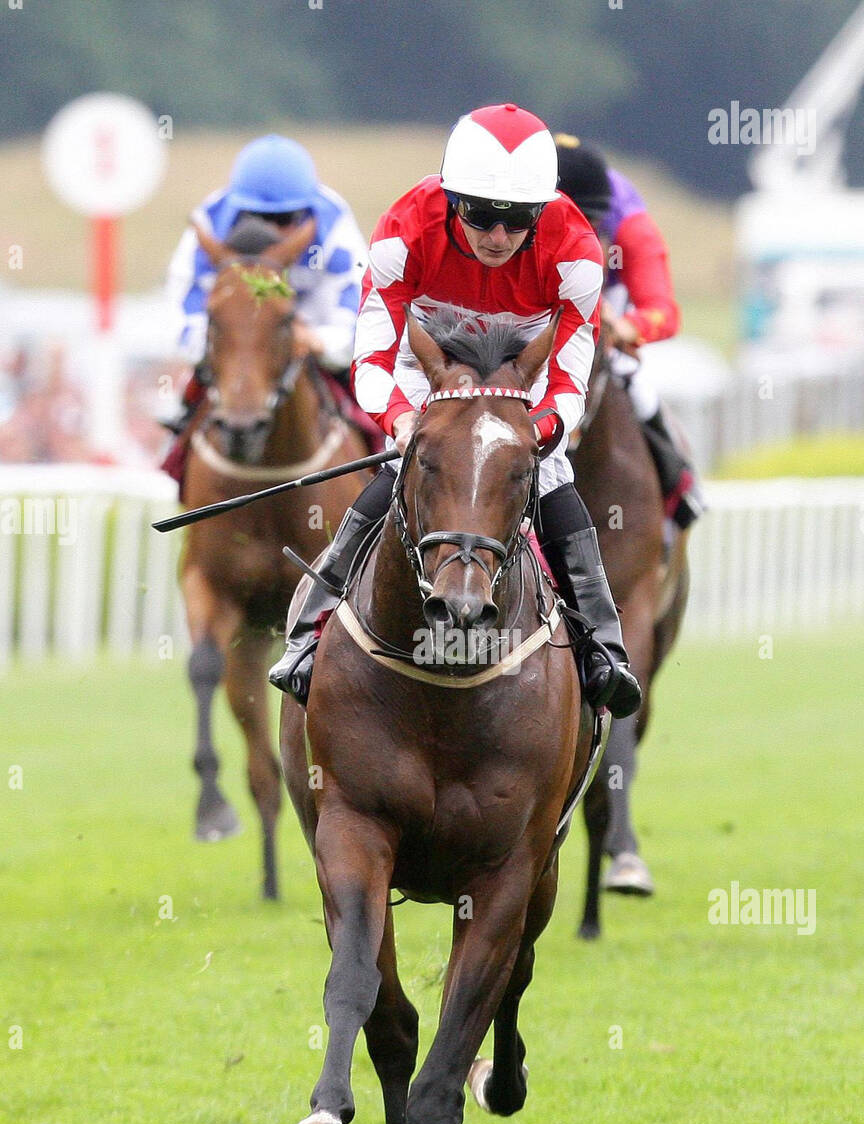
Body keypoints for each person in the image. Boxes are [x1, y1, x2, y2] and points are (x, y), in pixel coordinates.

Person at [270, 103, 641, 719]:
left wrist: (536, 432)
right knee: (407, 471)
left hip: (526, 364)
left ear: (542, 211)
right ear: (450, 200)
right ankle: (311, 630)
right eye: (481, 215)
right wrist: (402, 424)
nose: (498, 236)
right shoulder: (402, 230)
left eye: (519, 219)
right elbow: (372, 358)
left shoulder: (575, 250)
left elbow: (571, 383)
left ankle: (604, 645)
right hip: (429, 357)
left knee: (552, 474)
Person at [160, 134, 371, 484]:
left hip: (313, 320)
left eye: (286, 218)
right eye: (257, 217)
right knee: (189, 391)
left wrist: (320, 342)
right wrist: (220, 346)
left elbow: (359, 313)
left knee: (368, 390)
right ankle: (175, 455)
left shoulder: (335, 228)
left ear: (306, 209)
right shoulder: (209, 222)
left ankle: (386, 466)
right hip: (235, 330)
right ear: (237, 208)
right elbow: (183, 313)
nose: (272, 230)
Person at [554, 133, 704, 530]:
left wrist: (622, 327)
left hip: (608, 303)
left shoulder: (631, 227)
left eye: (586, 231)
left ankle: (679, 486)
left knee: (635, 385)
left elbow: (663, 312)